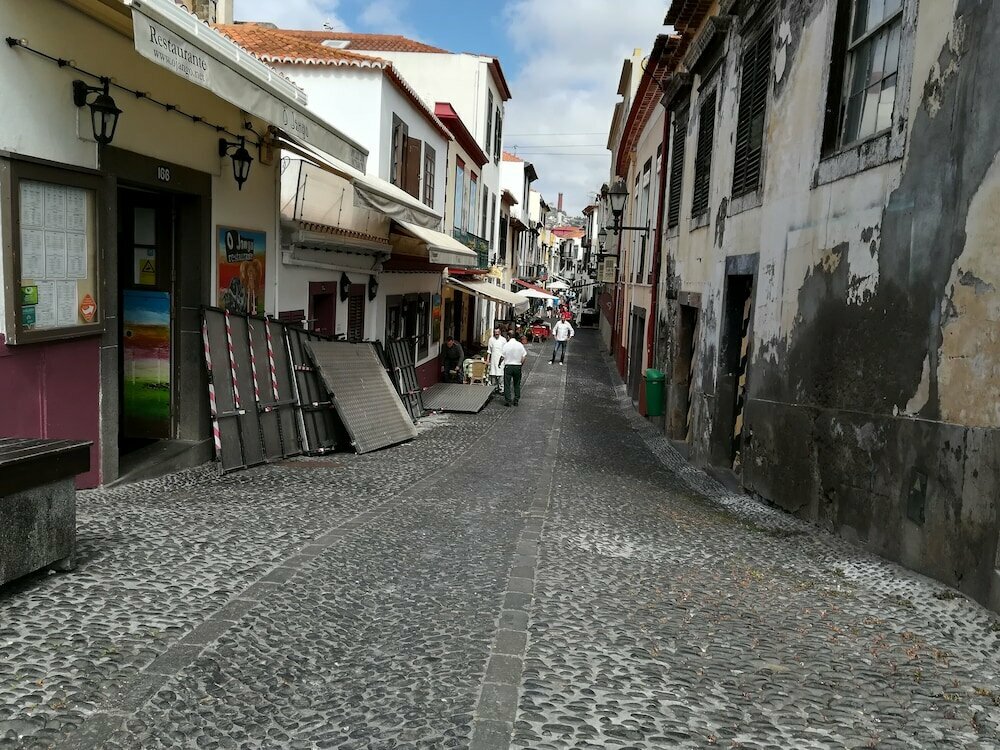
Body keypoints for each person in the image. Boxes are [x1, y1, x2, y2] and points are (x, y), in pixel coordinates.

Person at [500, 331, 528, 406]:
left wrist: (499, 363)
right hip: (517, 366)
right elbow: (524, 356)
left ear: (508, 337)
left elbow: (502, 356)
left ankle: (508, 401)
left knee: (507, 384)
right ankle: (516, 400)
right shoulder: (520, 345)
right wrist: (521, 364)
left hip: (508, 366)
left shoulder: (506, 345)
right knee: (517, 384)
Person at [486, 327, 506, 393]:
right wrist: (487, 360)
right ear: (494, 332)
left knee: (501, 374)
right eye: (495, 332)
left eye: (498, 332)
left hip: (501, 359)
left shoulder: (503, 340)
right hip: (493, 359)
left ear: (500, 332)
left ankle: (501, 389)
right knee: (493, 374)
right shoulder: (491, 339)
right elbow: (489, 351)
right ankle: (494, 388)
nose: (496, 333)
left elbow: (505, 351)